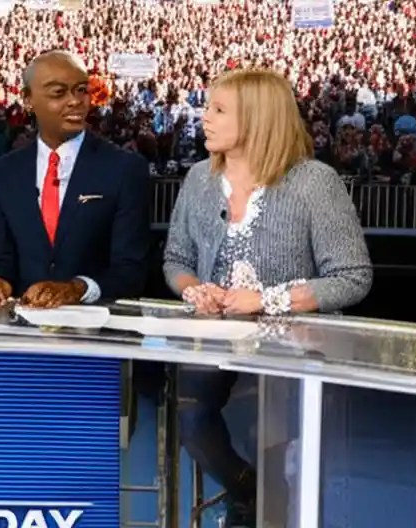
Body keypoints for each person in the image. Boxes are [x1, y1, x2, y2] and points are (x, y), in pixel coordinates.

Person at [162, 68, 372, 527]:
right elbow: (175, 260)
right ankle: (248, 493)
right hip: (214, 343)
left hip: (290, 350)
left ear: (257, 120)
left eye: (219, 110)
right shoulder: (198, 178)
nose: (205, 118)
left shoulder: (313, 182)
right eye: (207, 107)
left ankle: (266, 508)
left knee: (273, 438)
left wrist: (267, 299)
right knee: (191, 420)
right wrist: (192, 288)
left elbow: (352, 277)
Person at [0, 51, 151, 309]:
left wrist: (79, 288)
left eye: (81, 90)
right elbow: (2, 261)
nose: (75, 101)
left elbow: (132, 271)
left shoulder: (125, 169)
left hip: (100, 336)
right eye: (59, 93)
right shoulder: (2, 174)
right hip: (24, 335)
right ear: (28, 99)